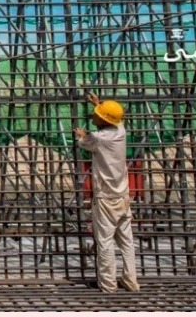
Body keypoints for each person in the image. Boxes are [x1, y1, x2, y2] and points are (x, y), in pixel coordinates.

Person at [75, 96, 140, 295]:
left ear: (104, 121)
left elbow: (83, 143)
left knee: (104, 242)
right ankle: (131, 281)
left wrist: (80, 135)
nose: (94, 116)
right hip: (122, 195)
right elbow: (116, 120)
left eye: (97, 115)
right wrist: (99, 104)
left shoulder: (98, 138)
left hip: (105, 199)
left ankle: (108, 285)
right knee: (126, 241)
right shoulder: (121, 131)